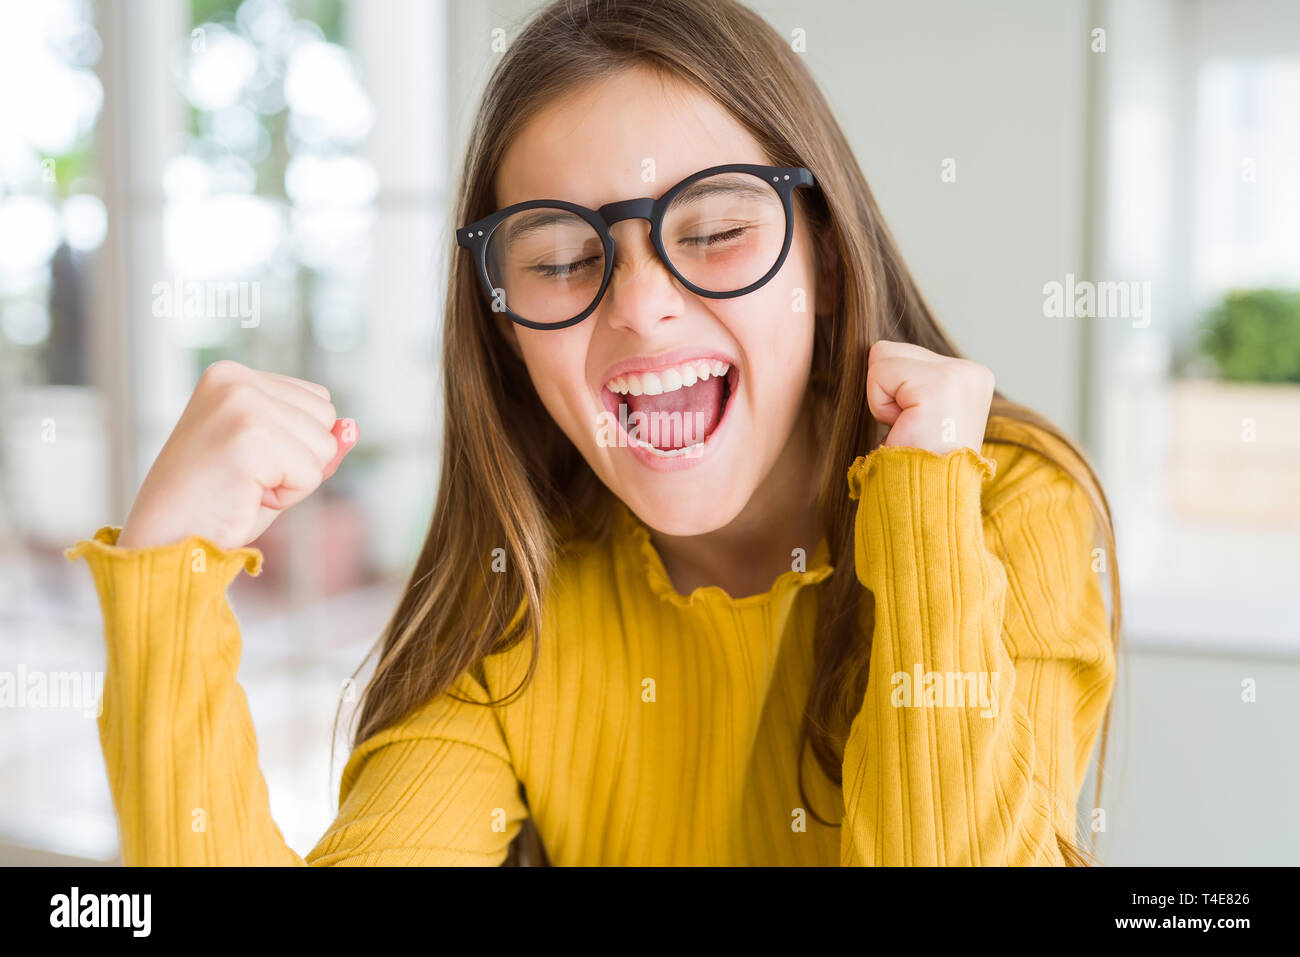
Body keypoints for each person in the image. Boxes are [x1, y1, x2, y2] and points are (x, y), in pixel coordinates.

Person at [67, 0, 1119, 866]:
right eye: (563, 260)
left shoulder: (1001, 509)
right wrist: (164, 579)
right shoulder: (514, 614)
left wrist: (925, 506)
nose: (640, 306)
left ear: (828, 260)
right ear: (505, 324)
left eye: (714, 231)